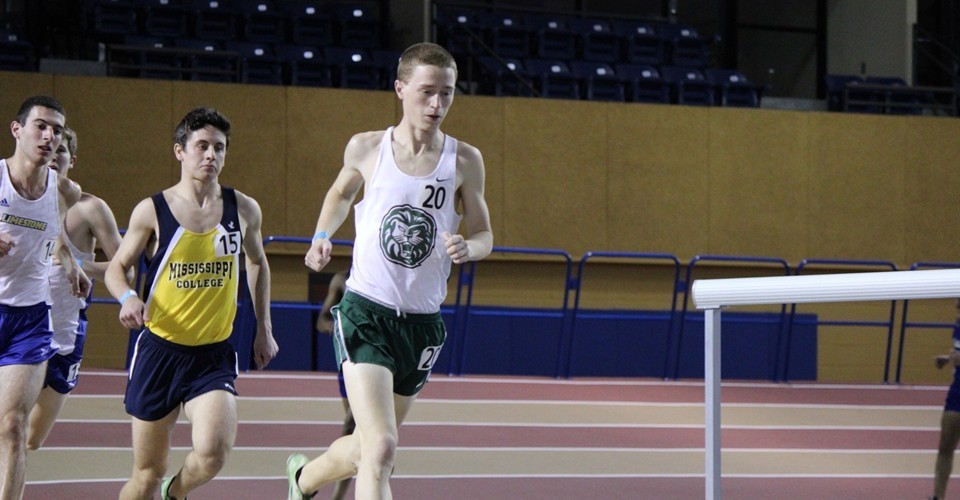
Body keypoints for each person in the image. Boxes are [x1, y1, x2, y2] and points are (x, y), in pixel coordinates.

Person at [290, 42, 494, 500]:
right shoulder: (367, 147)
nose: (437, 105)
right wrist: (322, 234)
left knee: (369, 447)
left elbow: (484, 232)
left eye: (447, 93)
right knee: (382, 448)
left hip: (421, 325)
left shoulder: (464, 160)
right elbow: (341, 194)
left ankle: (302, 480)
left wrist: (471, 246)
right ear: (400, 89)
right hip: (366, 312)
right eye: (427, 92)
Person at [105, 107, 279, 500]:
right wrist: (128, 296)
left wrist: (263, 328)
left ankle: (175, 493)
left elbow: (256, 261)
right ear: (179, 151)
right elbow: (116, 269)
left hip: (214, 353)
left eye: (219, 148)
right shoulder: (153, 211)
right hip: (160, 351)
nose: (210, 156)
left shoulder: (243, 209)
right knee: (147, 473)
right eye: (201, 146)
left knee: (214, 453)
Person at [0, 95, 90, 499]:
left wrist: (69, 261)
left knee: (14, 426)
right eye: (40, 125)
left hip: (32, 318)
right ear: (17, 130)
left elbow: (54, 231)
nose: (49, 135)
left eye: (56, 129)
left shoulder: (66, 191)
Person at [27, 127, 125, 450]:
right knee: (10, 427)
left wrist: (80, 267)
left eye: (62, 152)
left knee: (32, 439)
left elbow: (124, 266)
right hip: (21, 326)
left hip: (65, 335)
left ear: (73, 159)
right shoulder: (18, 201)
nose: (54, 157)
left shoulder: (90, 209)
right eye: (49, 150)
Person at [315, 269, 354, 500]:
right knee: (358, 434)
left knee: (353, 427)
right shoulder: (341, 280)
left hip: (380, 359)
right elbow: (321, 320)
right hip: (348, 360)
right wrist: (329, 325)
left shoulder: (386, 275)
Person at [931, 298, 960, 500]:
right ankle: (938, 497)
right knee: (945, 446)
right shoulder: (958, 324)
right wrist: (948, 358)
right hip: (957, 392)